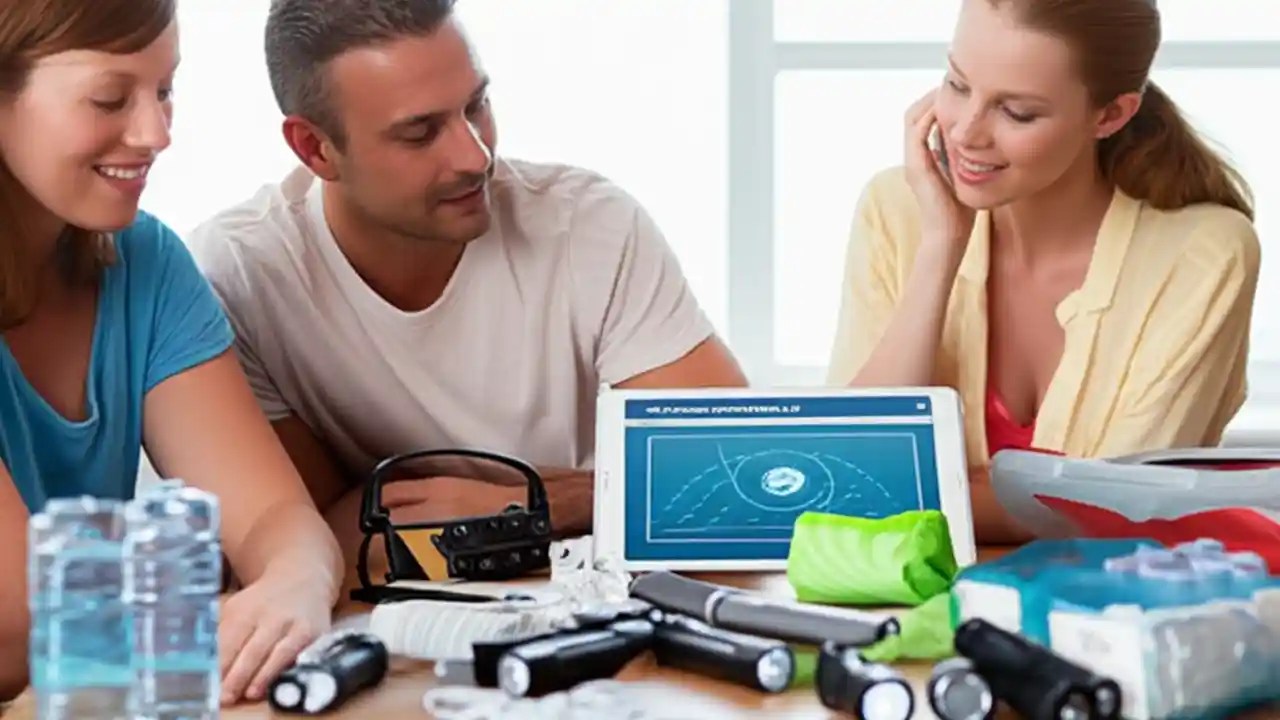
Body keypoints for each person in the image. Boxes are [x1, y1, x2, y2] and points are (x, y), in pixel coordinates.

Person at [189, 0, 746, 563]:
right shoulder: (241, 274)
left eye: (476, 105)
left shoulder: (591, 227)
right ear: (315, 148)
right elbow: (312, 533)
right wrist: (618, 489)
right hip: (385, 617)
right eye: (420, 133)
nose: (475, 156)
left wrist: (529, 505)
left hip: (595, 596)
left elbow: (736, 474)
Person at [0, 0, 344, 705]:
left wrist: (296, 585)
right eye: (109, 97)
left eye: (165, 89)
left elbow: (276, 520)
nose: (155, 133)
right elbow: (18, 620)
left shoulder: (145, 263)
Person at [827, 0, 1260, 544]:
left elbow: (1120, 510)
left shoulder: (1205, 254)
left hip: (1106, 616)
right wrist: (942, 245)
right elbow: (848, 468)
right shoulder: (901, 209)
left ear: (1111, 115)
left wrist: (903, 492)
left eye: (1017, 113)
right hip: (899, 612)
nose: (965, 134)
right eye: (958, 85)